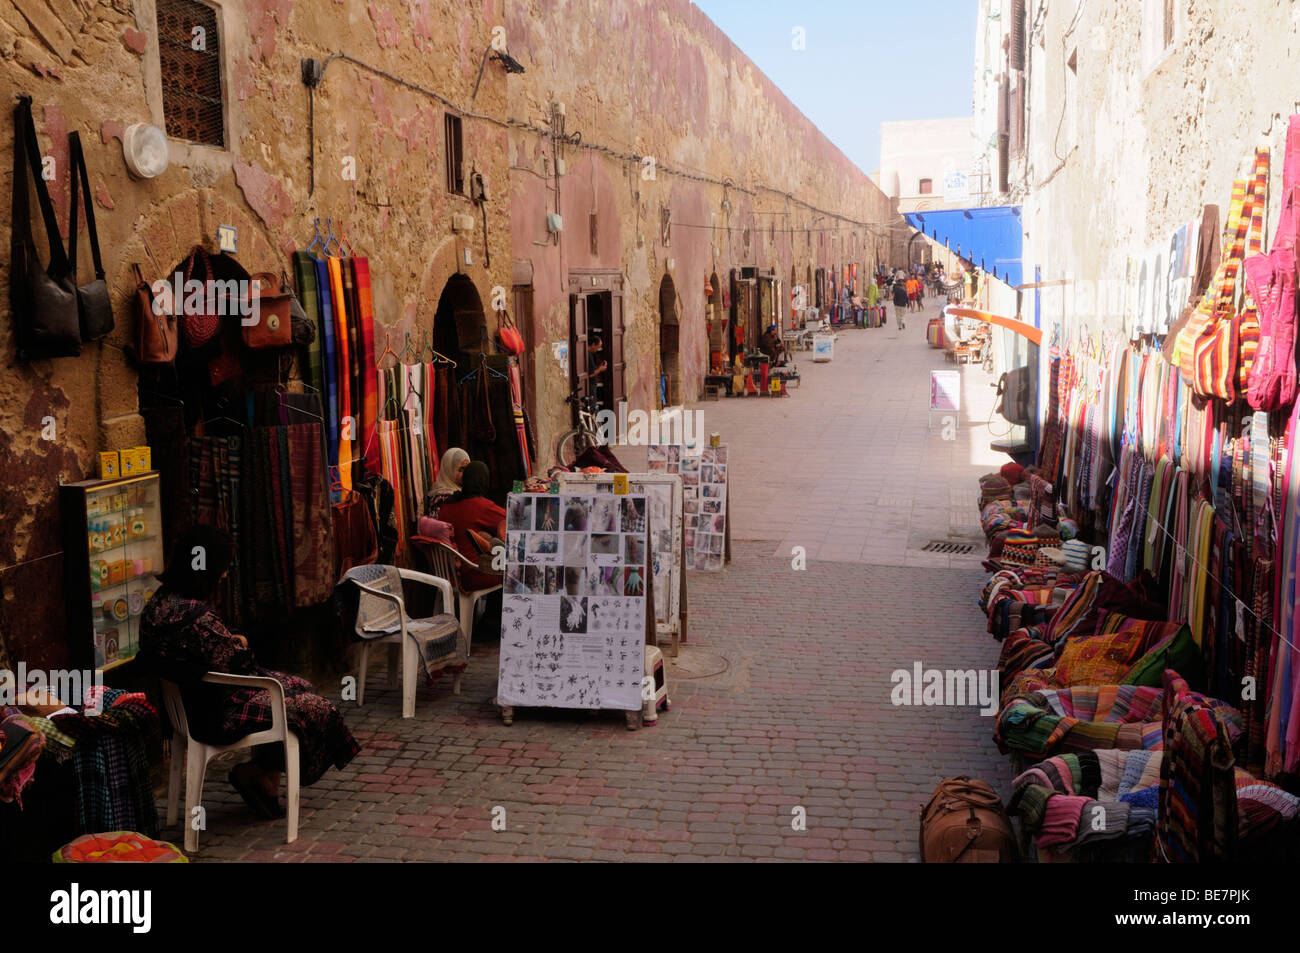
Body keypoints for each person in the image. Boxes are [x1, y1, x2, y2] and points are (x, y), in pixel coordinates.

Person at [138, 525, 359, 820]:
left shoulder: (160, 603)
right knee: (312, 708)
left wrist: (233, 642)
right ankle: (252, 772)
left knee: (301, 685)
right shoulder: (196, 617)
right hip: (214, 714)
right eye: (222, 567)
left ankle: (264, 782)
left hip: (186, 705)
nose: (225, 574)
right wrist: (239, 641)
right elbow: (239, 661)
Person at [437, 461, 506, 639]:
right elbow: (511, 518)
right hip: (471, 574)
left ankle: (490, 621)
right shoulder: (481, 506)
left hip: (448, 572)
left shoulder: (447, 505)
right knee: (508, 569)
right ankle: (492, 622)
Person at [424, 446, 470, 517]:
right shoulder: (442, 499)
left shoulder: (464, 492)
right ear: (448, 470)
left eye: (467, 469)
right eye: (461, 469)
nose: (466, 474)